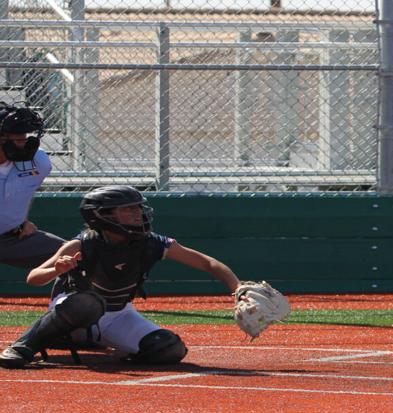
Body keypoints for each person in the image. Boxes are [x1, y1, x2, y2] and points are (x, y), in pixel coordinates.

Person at [0, 186, 240, 368]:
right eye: (127, 209)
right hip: (75, 310)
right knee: (88, 302)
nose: (137, 214)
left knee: (168, 350)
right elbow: (34, 277)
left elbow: (208, 263)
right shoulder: (82, 244)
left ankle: (105, 343)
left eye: (137, 207)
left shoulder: (152, 242)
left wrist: (237, 288)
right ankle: (24, 346)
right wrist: (57, 270)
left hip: (118, 313)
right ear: (103, 215)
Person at [0, 105, 66, 282]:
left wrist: (21, 221)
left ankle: (66, 306)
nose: (25, 144)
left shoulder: (39, 162)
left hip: (12, 237)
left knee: (74, 256)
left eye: (25, 137)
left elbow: (24, 192)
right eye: (18, 139)